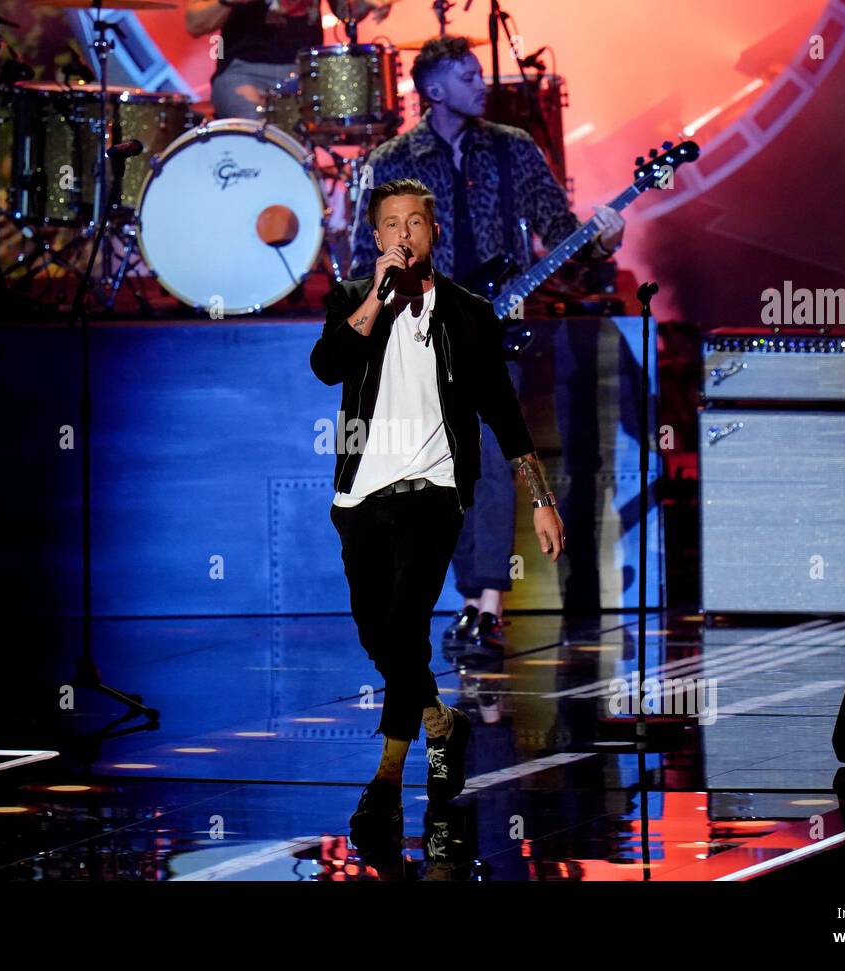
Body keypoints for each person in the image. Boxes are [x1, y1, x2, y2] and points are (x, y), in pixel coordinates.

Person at [311, 177, 565, 858]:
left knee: (404, 621)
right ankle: (437, 718)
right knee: (377, 630)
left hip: (434, 490)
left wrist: (539, 496)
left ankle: (387, 782)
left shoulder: (467, 313)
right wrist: (374, 298)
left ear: (434, 233)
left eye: (415, 223)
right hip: (361, 494)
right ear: (375, 237)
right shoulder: (350, 303)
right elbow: (326, 365)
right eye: (391, 224)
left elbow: (502, 412)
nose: (403, 235)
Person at [348, 35, 625, 651]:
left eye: (480, 75)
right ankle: (469, 596)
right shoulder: (394, 159)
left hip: (498, 329)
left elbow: (559, 234)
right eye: (469, 77)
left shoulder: (514, 150)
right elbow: (365, 256)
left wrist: (602, 240)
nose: (483, 85)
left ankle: (486, 603)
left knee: (494, 463)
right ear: (434, 90)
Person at [186, 0, 391, 121]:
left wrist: (368, 3)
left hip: (306, 73)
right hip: (243, 73)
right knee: (259, 138)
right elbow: (195, 23)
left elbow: (347, 10)